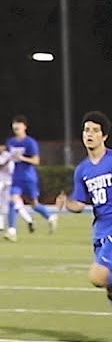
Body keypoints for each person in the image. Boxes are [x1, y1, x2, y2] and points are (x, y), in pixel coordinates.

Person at [55, 111, 112, 302]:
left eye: (95, 130)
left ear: (104, 136)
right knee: (108, 287)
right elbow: (79, 204)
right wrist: (67, 203)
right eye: (87, 130)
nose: (89, 134)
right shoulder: (82, 170)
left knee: (97, 276)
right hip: (100, 231)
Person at [5, 115, 56, 241]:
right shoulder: (11, 142)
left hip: (29, 177)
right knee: (13, 201)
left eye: (19, 123)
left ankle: (50, 217)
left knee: (34, 204)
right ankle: (12, 230)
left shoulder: (30, 142)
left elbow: (36, 160)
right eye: (14, 123)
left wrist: (22, 158)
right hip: (16, 177)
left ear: (24, 126)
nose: (16, 126)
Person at [0, 139, 33, 236]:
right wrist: (9, 159)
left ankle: (29, 220)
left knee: (15, 204)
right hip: (1, 183)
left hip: (10, 183)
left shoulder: (11, 157)